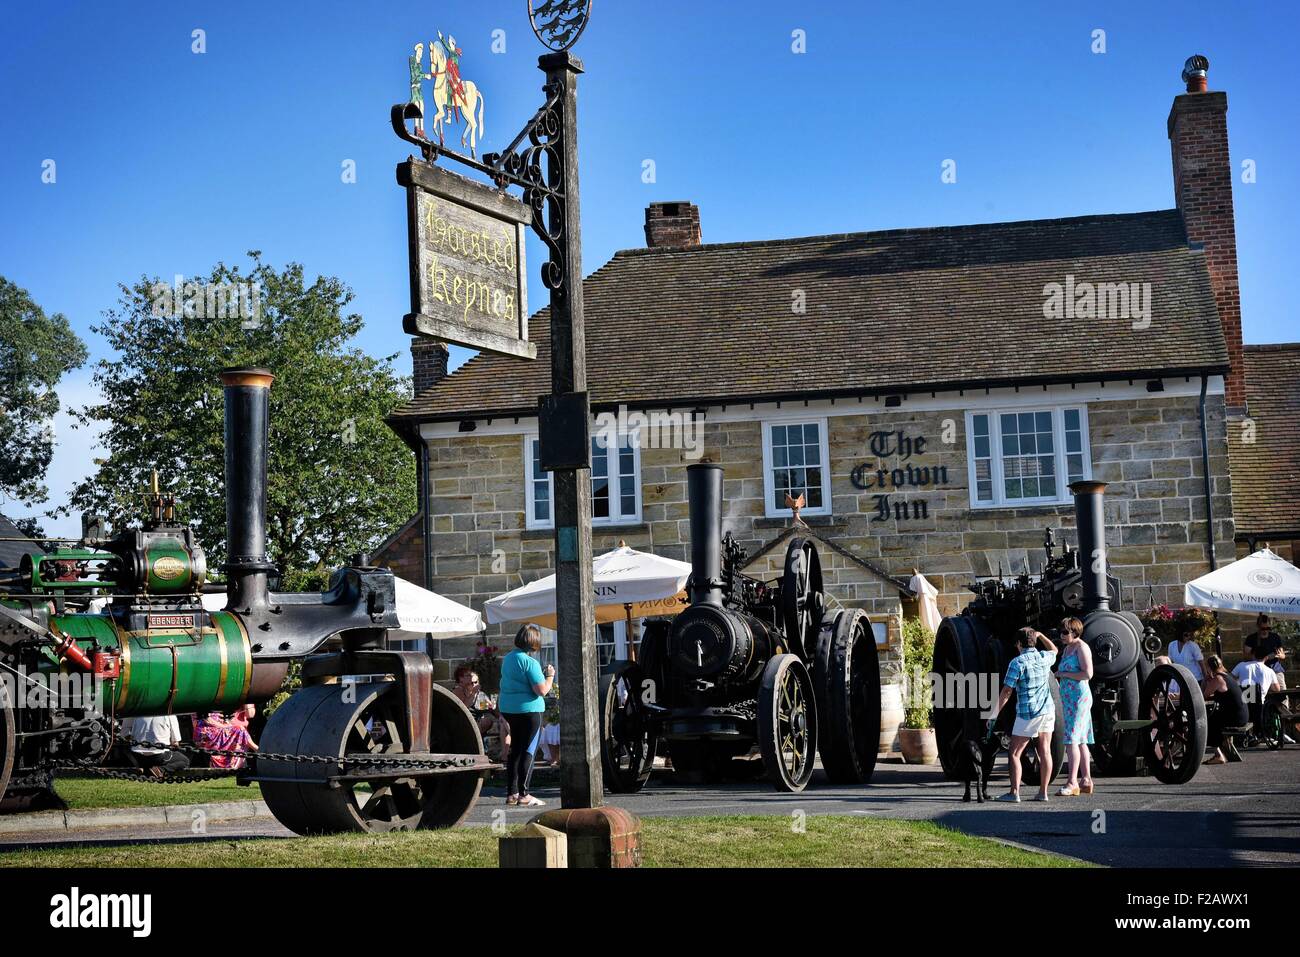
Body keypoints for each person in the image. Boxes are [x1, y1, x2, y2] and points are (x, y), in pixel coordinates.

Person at [992, 627, 1057, 803]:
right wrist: (1042, 635)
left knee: (1014, 753)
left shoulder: (1017, 663)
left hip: (1027, 713)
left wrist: (994, 714)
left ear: (1019, 644)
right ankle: (1043, 793)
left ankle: (1014, 793)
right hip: (1047, 710)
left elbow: (1007, 691)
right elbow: (1054, 650)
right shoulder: (1044, 658)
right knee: (1045, 752)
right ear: (1034, 641)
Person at [498, 624, 554, 807]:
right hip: (529, 711)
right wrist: (550, 676)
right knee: (528, 751)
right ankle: (524, 794)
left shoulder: (508, 658)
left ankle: (511, 793)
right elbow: (541, 690)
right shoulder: (530, 662)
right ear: (533, 642)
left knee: (515, 750)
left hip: (509, 709)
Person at [1054, 618, 1094, 796]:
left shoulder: (1081, 647)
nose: (1061, 635)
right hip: (1069, 698)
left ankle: (1072, 782)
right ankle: (1086, 780)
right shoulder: (1068, 648)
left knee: (1071, 740)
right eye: (1060, 632)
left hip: (1078, 698)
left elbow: (1088, 673)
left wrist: (1063, 673)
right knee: (1081, 739)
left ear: (1075, 632)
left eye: (1065, 632)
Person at [1201, 655, 1248, 765]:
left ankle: (1219, 755)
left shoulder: (1218, 679)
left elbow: (1203, 696)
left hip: (1235, 718)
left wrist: (1205, 679)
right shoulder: (1228, 676)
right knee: (1214, 718)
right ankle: (1223, 751)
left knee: (1207, 722)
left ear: (1209, 668)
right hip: (1242, 715)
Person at [1232, 645, 1279, 741]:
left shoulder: (1241, 665)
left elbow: (1230, 679)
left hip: (1243, 703)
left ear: (1252, 654)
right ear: (1266, 657)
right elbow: (1276, 689)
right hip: (1259, 705)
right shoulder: (1270, 671)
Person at [195, 711, 259, 770]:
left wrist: (227, 725)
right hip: (206, 732)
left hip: (215, 730)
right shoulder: (205, 707)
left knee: (239, 731)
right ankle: (256, 748)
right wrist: (225, 726)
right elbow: (208, 720)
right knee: (239, 729)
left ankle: (235, 764)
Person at [1244, 614, 1287, 688]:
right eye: (1263, 629)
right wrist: (1265, 657)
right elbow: (1246, 656)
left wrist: (1279, 655)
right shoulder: (1251, 638)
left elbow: (1283, 656)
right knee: (1261, 695)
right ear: (1258, 626)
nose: (1265, 631)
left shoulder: (1275, 637)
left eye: (1268, 628)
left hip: (1275, 670)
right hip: (1259, 671)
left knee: (1282, 693)